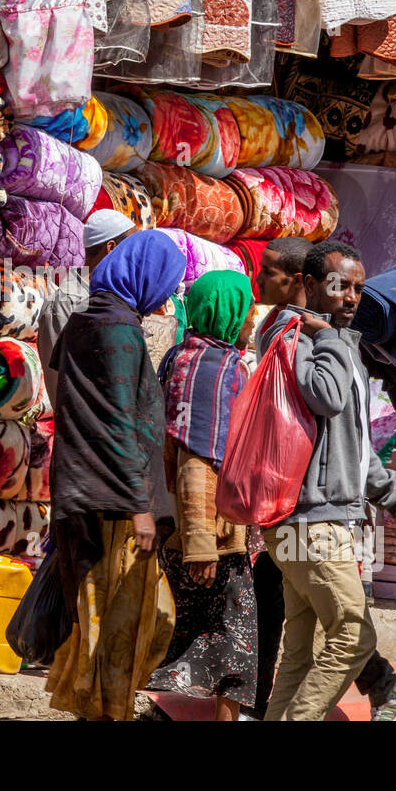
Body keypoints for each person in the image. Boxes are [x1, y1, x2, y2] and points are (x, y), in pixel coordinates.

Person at [250, 237, 396, 721]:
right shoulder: (298, 334)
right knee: (354, 633)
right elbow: (323, 396)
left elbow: (354, 444)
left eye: (358, 289)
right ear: (309, 284)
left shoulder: (335, 340)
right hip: (309, 521)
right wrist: (330, 338)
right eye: (339, 285)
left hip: (315, 520)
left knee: (301, 652)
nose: (351, 298)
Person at [45, 230, 187, 721]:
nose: (167, 295)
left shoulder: (87, 319)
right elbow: (121, 424)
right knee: (127, 626)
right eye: (167, 282)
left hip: (79, 492)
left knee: (98, 622)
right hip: (114, 508)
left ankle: (101, 711)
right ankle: (108, 713)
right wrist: (141, 508)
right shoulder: (120, 332)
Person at [148, 270, 260, 721]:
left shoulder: (185, 356)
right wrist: (201, 545)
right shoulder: (212, 369)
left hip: (192, 526)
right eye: (247, 306)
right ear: (226, 310)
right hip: (209, 532)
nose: (253, 316)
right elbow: (196, 461)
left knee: (193, 637)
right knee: (233, 641)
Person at [37, 208, 135, 408]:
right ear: (111, 247)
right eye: (130, 248)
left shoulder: (111, 296)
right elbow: (62, 382)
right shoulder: (66, 303)